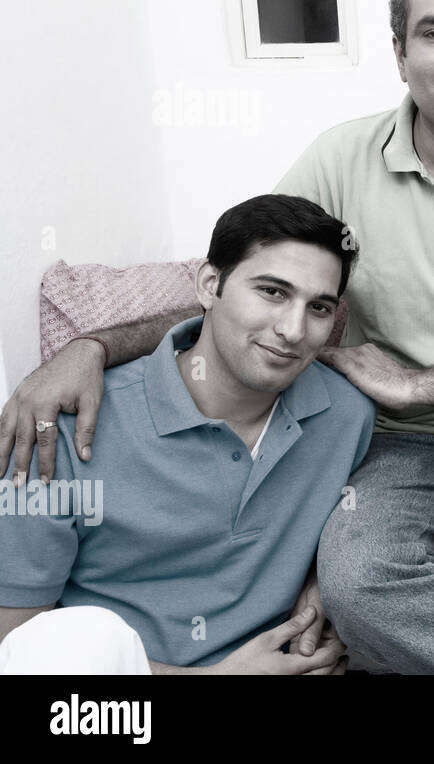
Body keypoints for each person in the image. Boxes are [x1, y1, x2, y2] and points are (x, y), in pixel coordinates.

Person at [1, 0, 434, 675]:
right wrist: (92, 346)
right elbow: (249, 278)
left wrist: (418, 383)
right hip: (398, 443)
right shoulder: (341, 158)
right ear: (400, 53)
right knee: (355, 584)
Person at [0, 194, 372, 674]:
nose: (293, 329)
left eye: (318, 307)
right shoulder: (61, 427)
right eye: (272, 292)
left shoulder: (347, 414)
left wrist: (325, 592)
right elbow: (16, 645)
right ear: (210, 284)